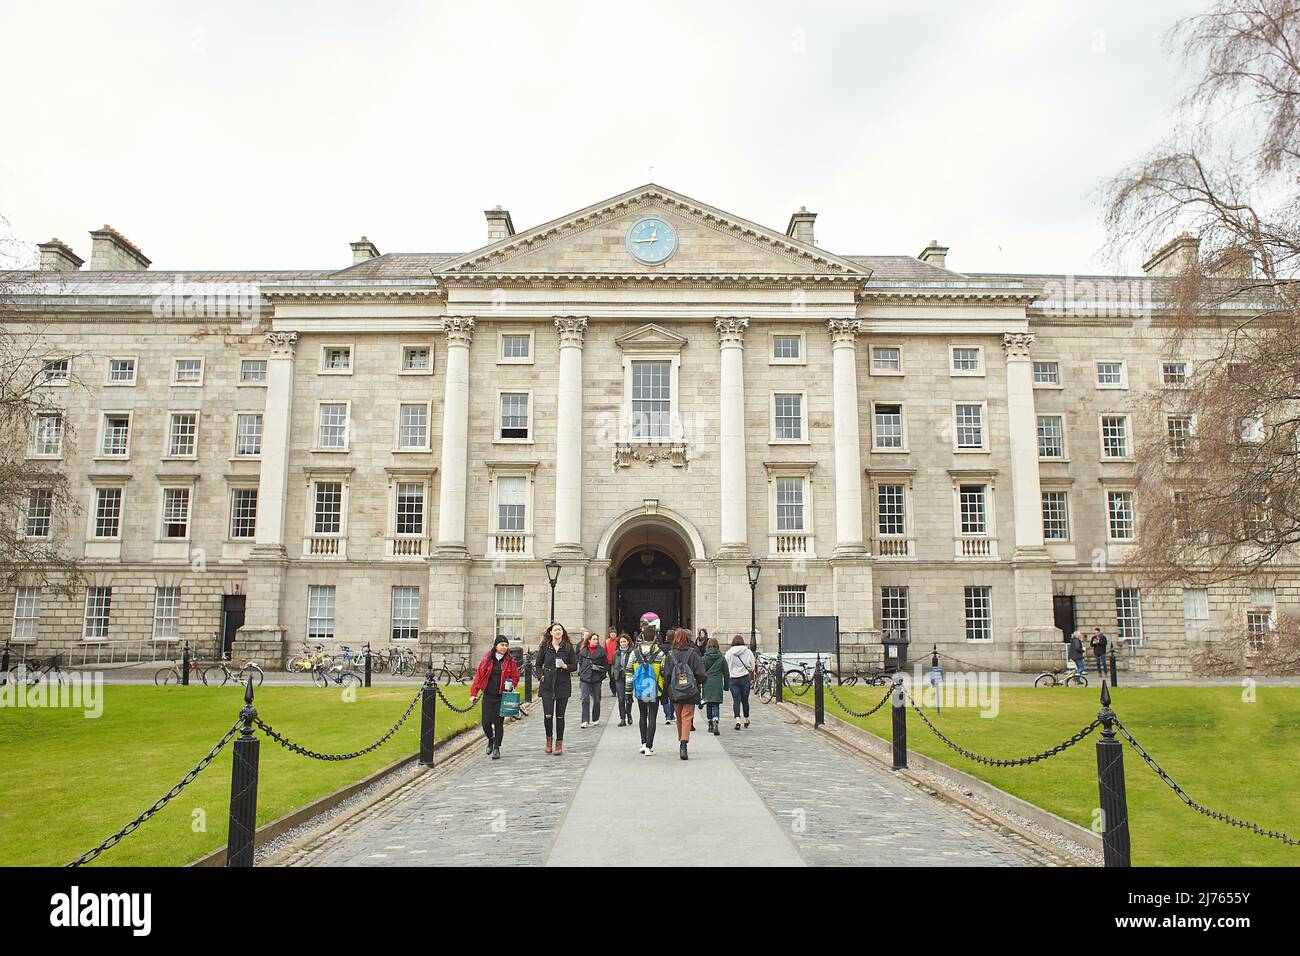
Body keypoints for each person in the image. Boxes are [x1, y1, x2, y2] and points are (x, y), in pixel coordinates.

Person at [468, 636, 520, 760]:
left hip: (501, 696)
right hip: (488, 695)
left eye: (506, 645)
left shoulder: (510, 661)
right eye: (502, 645)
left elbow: (515, 676)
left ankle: (497, 747)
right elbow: (479, 677)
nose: (504, 647)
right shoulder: (487, 659)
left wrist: (512, 684)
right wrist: (473, 694)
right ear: (496, 646)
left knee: (498, 723)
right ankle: (491, 739)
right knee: (486, 724)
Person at [664, 628, 707, 760]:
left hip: (675, 691)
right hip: (690, 690)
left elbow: (667, 674)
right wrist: (699, 683)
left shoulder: (671, 654)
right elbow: (700, 673)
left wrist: (667, 689)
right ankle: (684, 743)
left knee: (679, 716)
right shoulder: (693, 653)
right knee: (687, 716)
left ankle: (681, 740)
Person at [535, 622, 576, 755]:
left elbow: (575, 666)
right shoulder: (545, 647)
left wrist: (566, 666)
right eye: (555, 630)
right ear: (551, 633)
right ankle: (549, 740)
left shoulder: (568, 647)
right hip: (547, 685)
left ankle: (559, 743)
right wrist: (540, 676)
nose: (558, 632)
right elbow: (537, 665)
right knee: (548, 715)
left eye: (560, 630)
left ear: (562, 632)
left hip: (562, 684)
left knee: (560, 716)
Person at [626, 626, 666, 755]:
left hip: (640, 689)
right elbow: (664, 673)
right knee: (652, 717)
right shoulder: (660, 653)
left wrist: (628, 692)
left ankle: (643, 743)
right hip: (655, 689)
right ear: (655, 637)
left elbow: (629, 673)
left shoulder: (634, 653)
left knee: (642, 715)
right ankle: (649, 746)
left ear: (642, 637)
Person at [725, 635, 756, 730]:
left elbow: (726, 665)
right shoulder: (748, 651)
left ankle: (737, 719)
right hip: (744, 678)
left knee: (736, 700)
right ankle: (746, 719)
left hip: (733, 678)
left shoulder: (729, 653)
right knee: (745, 700)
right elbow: (753, 664)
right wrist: (749, 669)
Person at [578, 630, 608, 727]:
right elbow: (581, 663)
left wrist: (601, 675)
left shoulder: (601, 651)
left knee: (597, 699)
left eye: (597, 639)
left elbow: (605, 665)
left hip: (596, 678)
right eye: (594, 639)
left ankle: (595, 718)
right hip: (585, 678)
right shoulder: (583, 651)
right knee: (585, 699)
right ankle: (585, 720)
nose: (596, 641)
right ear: (589, 640)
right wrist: (582, 673)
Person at [700, 637, 728, 735]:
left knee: (709, 703)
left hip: (707, 683)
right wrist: (726, 686)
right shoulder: (721, 658)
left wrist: (700, 684)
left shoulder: (704, 658)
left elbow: (701, 673)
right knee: (715, 704)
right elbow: (726, 673)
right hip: (717, 683)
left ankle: (710, 723)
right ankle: (716, 720)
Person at [610, 633, 634, 727]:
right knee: (621, 699)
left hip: (629, 676)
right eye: (621, 642)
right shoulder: (616, 653)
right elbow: (612, 664)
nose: (623, 643)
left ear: (628, 642)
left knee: (628, 698)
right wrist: (614, 673)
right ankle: (622, 718)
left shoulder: (632, 652)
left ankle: (628, 713)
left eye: (624, 641)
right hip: (619, 676)